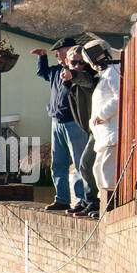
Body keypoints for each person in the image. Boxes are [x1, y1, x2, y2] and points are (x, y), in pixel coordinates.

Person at [29, 37, 90, 212]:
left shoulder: (79, 70)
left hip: (74, 122)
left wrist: (72, 71)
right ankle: (62, 199)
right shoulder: (56, 71)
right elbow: (42, 73)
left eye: (60, 51)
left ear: (71, 51)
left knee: (79, 163)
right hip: (57, 122)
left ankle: (81, 200)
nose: (56, 54)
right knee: (58, 164)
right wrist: (41, 57)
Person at [84, 37, 121, 217]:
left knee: (106, 171)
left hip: (111, 132)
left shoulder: (114, 72)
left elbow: (118, 97)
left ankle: (111, 207)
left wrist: (101, 115)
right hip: (103, 135)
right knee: (98, 168)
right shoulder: (106, 75)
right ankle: (105, 205)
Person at [62, 44, 100, 218]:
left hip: (99, 128)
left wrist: (74, 75)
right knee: (84, 166)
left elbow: (87, 80)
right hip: (90, 128)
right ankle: (87, 201)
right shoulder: (69, 80)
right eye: (74, 63)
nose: (78, 66)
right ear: (66, 62)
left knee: (85, 165)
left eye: (81, 62)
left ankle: (93, 202)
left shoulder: (88, 76)